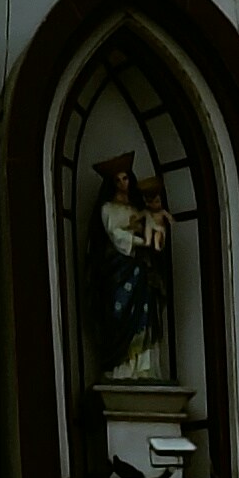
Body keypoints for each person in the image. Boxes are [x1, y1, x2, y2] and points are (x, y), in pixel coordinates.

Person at [81, 151, 173, 382]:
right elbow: (116, 235)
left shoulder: (137, 208)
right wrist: (140, 241)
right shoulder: (108, 208)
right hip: (120, 271)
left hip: (141, 269)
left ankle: (144, 367)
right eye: (118, 179)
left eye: (126, 178)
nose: (123, 183)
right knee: (120, 313)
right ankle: (123, 366)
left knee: (146, 312)